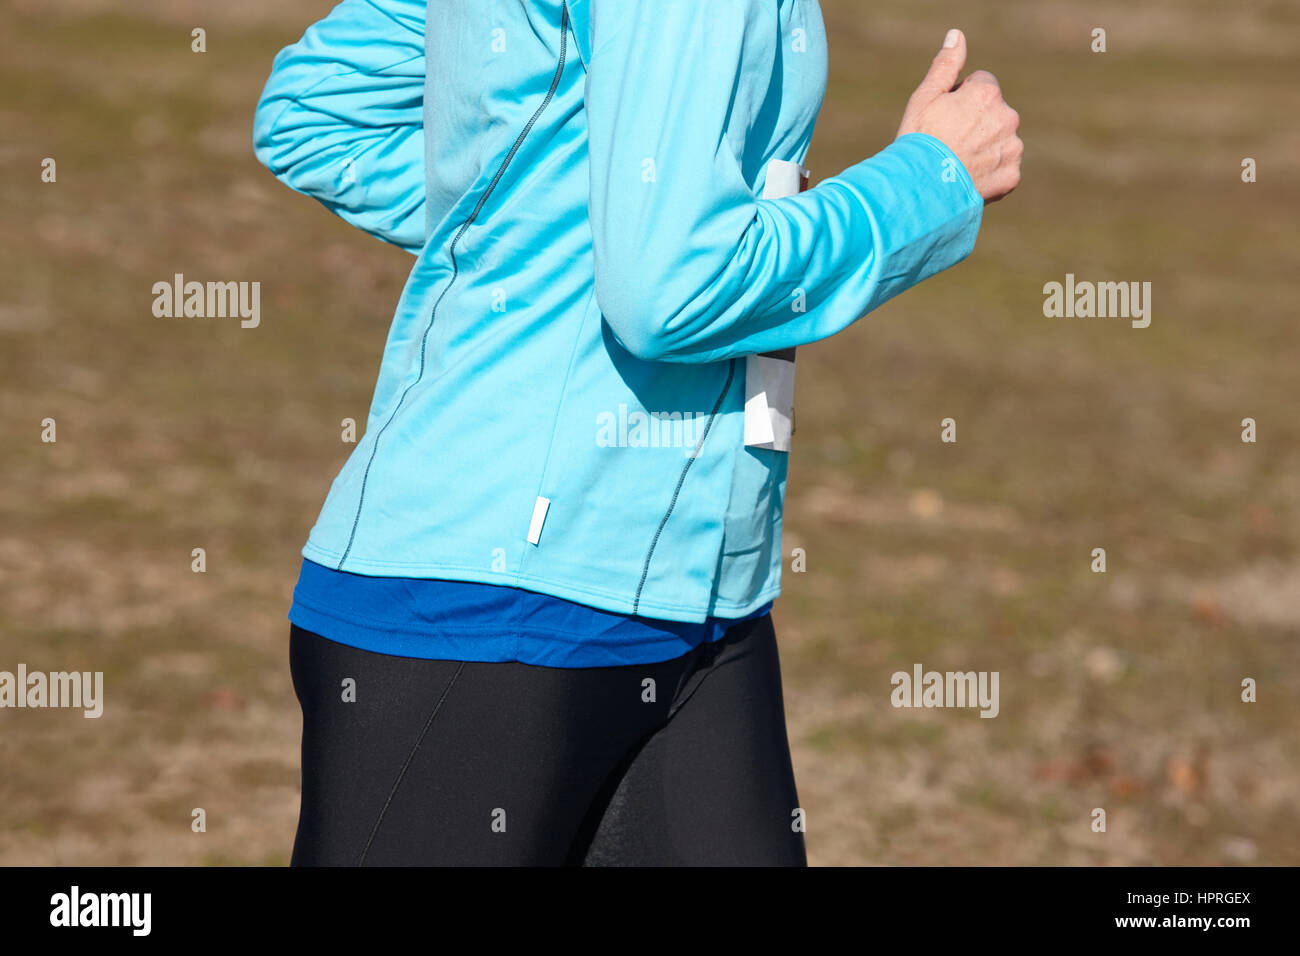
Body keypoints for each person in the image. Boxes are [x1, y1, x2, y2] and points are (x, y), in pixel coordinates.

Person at [253, 0, 1021, 866]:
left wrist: (579, 233)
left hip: (700, 615)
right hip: (487, 605)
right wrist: (929, 182)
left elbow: (318, 112)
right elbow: (672, 290)